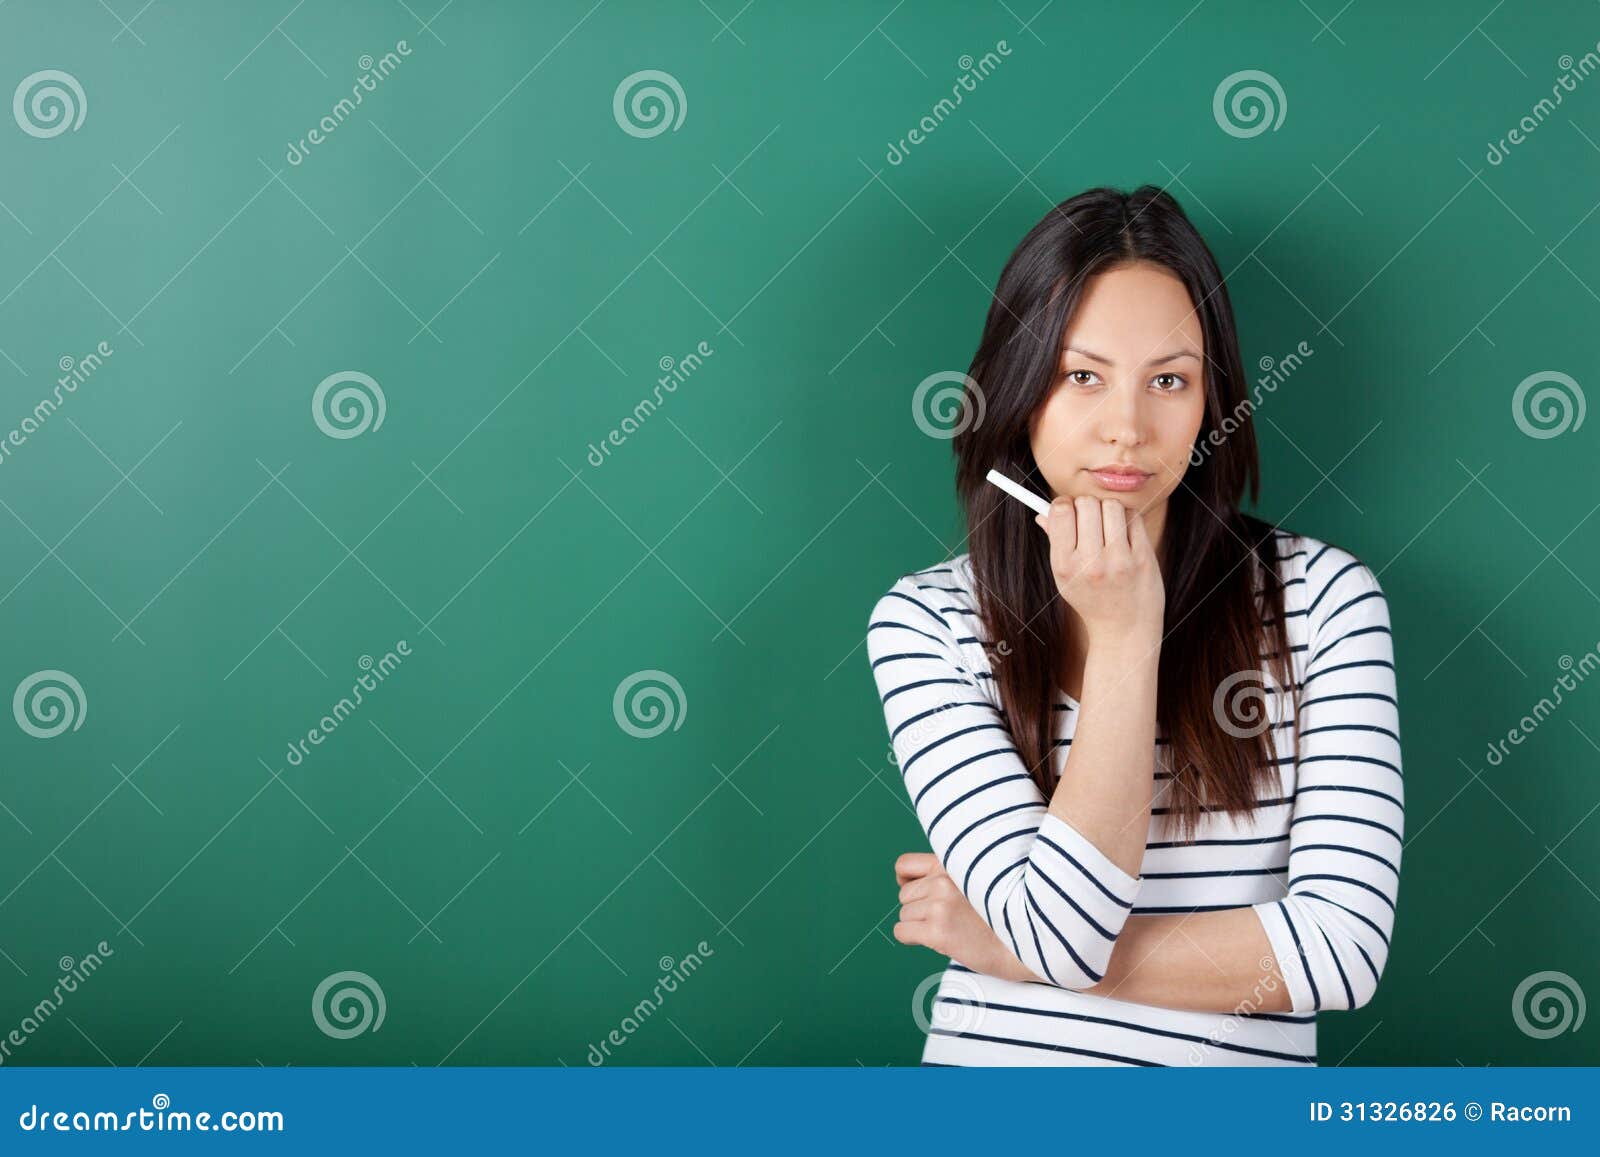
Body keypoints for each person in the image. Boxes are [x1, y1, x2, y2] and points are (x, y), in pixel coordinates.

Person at [866, 185, 1402, 1066]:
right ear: (1017, 390)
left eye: (1169, 380)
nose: (1126, 428)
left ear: (1209, 400)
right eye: (1082, 375)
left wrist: (1013, 949)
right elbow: (1064, 938)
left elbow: (1340, 952)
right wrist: (1122, 637)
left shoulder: (1323, 601)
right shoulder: (929, 622)